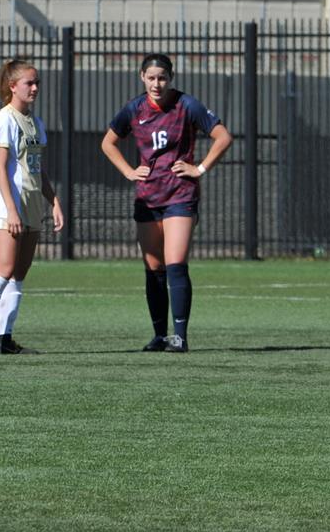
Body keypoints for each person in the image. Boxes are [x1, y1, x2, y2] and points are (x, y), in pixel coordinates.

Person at [100, 54, 235, 353]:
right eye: (151, 77)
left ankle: (180, 336)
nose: (156, 83)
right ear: (142, 77)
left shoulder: (187, 105)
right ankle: (159, 335)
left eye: (162, 77)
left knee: (175, 264)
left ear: (170, 78)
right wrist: (129, 171)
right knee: (154, 267)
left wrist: (198, 169)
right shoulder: (135, 108)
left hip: (180, 194)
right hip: (148, 196)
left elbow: (223, 137)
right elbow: (108, 142)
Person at [0, 59, 64, 355]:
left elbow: (37, 168)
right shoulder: (3, 120)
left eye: (37, 83)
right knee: (4, 268)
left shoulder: (36, 123)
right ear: (12, 86)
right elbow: (0, 169)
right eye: (29, 83)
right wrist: (11, 210)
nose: (35, 88)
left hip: (32, 202)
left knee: (19, 272)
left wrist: (55, 201)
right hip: (7, 202)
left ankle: (5, 339)